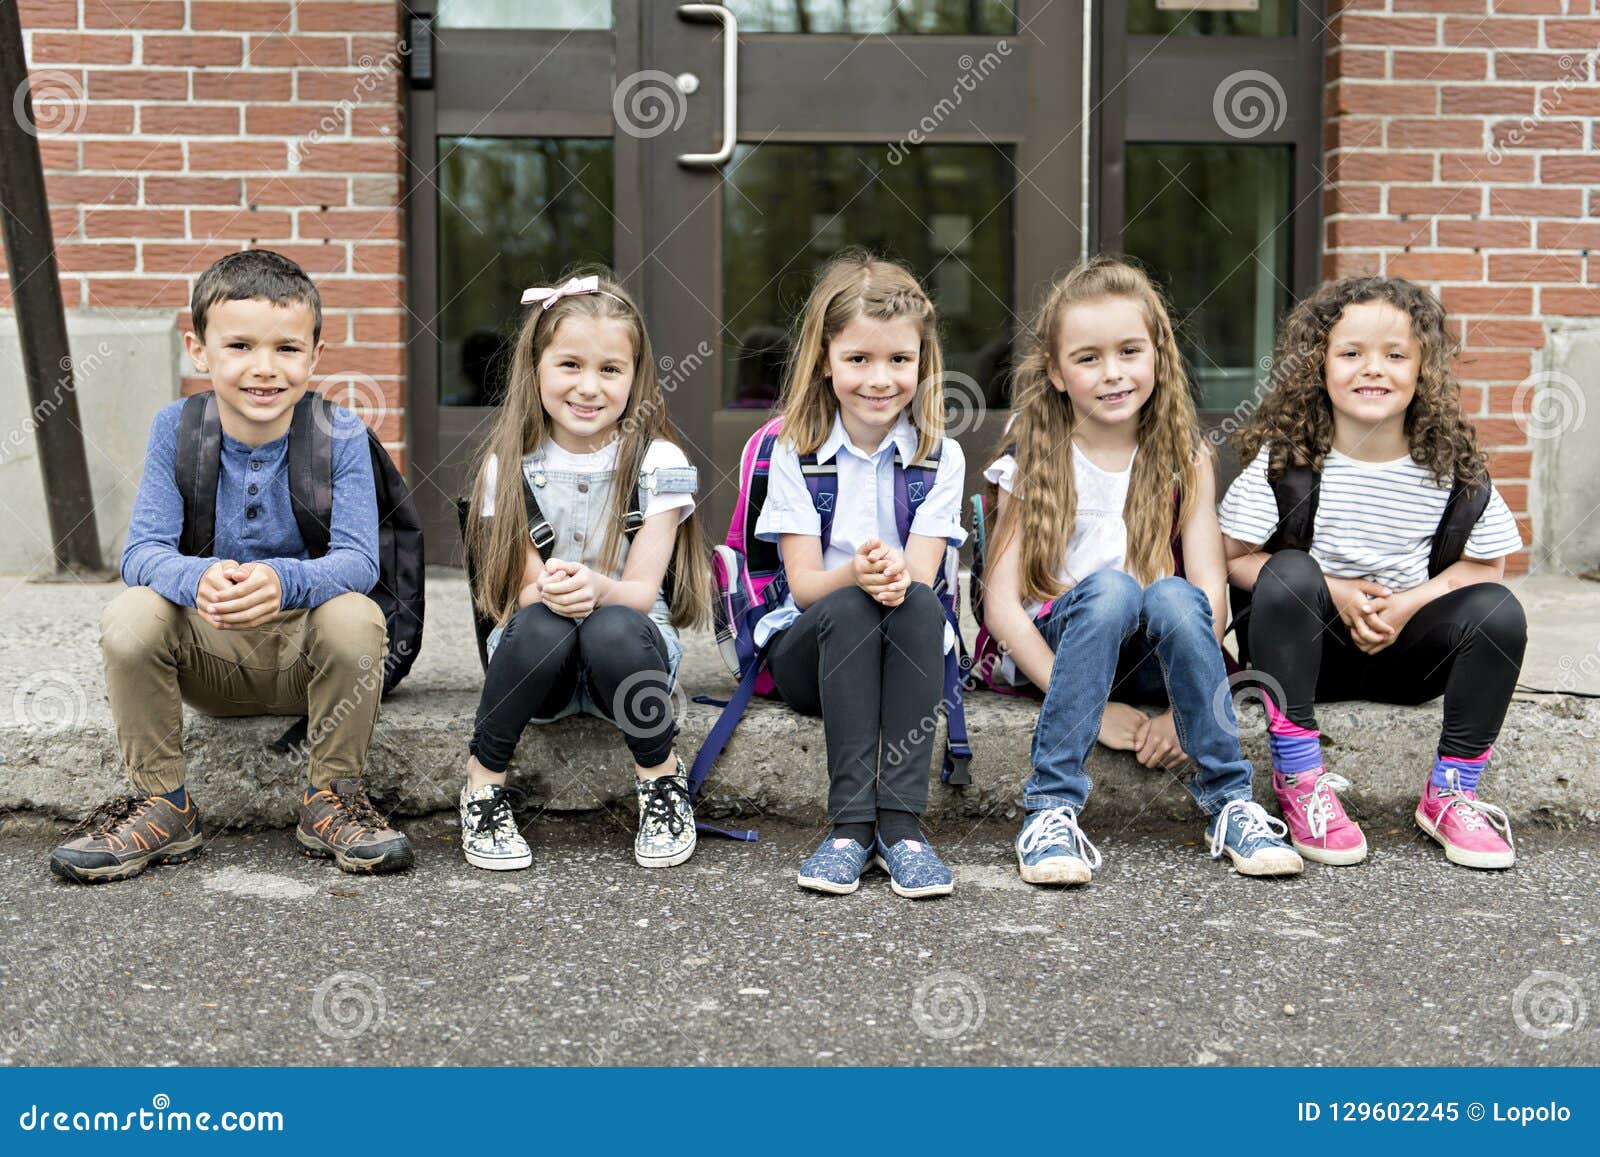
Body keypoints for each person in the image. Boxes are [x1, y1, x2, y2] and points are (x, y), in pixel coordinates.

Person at [981, 256, 1304, 887]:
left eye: (1129, 351)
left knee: (1177, 598)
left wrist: (1185, 709)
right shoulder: (1037, 455)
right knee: (1111, 589)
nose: (1113, 373)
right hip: (1065, 648)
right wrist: (1096, 709)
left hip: (1155, 655)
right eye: (1088, 358)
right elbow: (1001, 606)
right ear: (1055, 371)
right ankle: (1050, 811)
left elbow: (1211, 596)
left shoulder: (1184, 453)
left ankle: (1231, 803)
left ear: (1157, 353)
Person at [1221, 276, 1526, 869]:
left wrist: (1410, 602)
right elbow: (1231, 557)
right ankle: (1300, 778)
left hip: (1406, 659)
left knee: (1499, 610)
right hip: (1304, 660)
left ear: (1423, 369)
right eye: (1351, 353)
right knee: (1288, 571)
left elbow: (1488, 564)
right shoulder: (1288, 461)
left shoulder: (1449, 467)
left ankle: (1452, 793)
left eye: (1395, 355)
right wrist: (1331, 590)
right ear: (1319, 365)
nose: (1373, 370)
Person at [460, 271, 711, 871]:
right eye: (569, 365)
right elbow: (519, 594)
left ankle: (660, 778)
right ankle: (481, 785)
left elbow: (642, 591)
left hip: (627, 666)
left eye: (610, 370)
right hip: (539, 664)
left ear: (635, 376)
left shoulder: (658, 462)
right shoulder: (508, 464)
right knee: (544, 623)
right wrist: (548, 590)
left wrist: (598, 588)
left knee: (612, 625)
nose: (589, 387)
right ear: (537, 368)